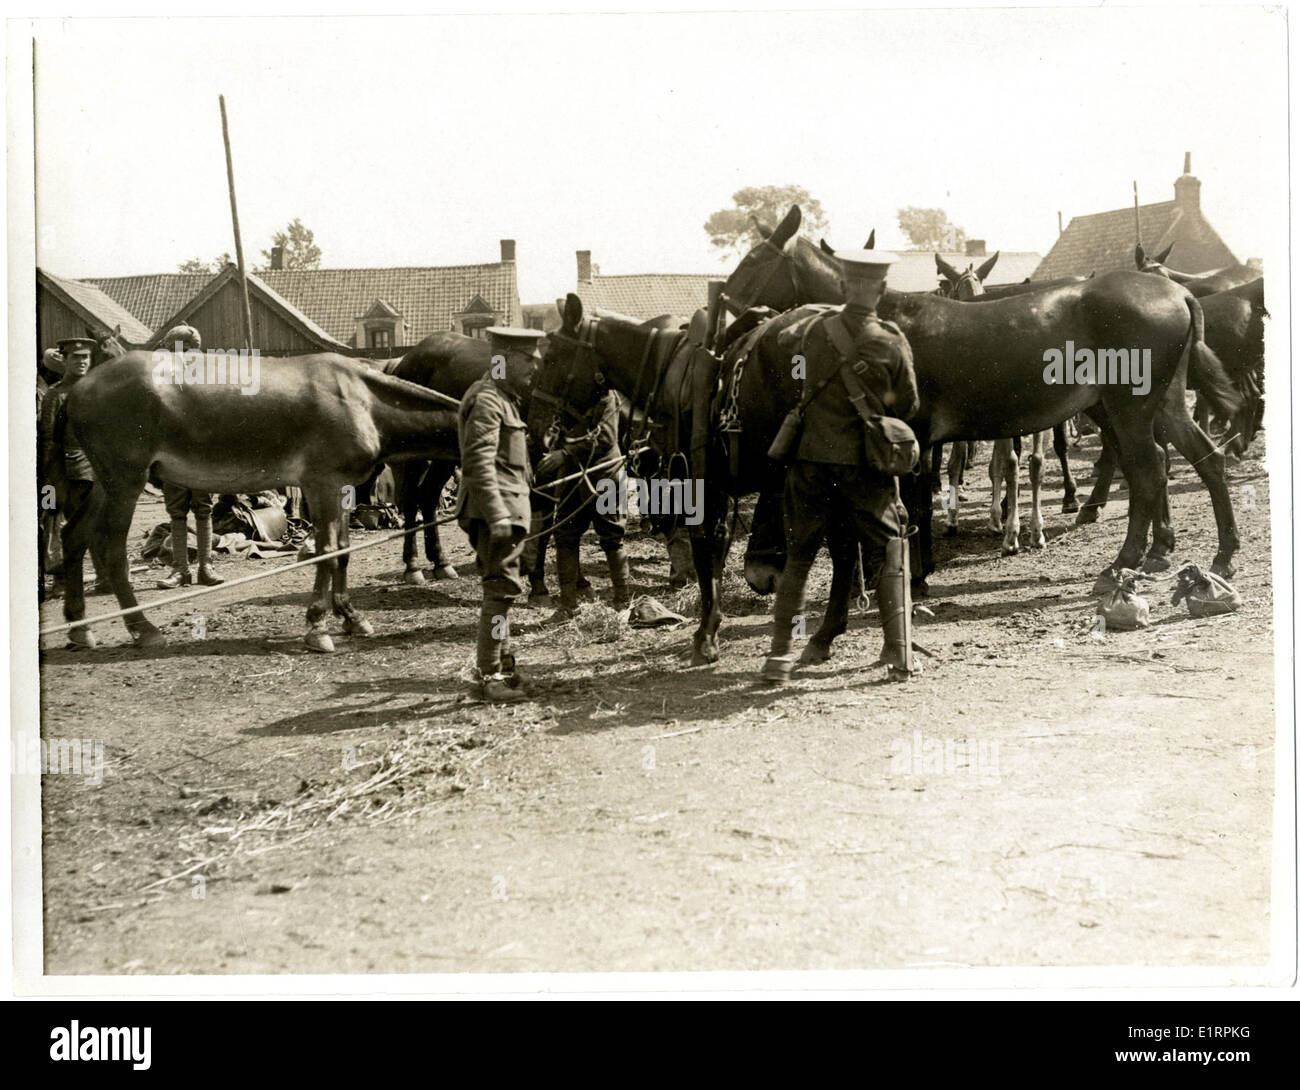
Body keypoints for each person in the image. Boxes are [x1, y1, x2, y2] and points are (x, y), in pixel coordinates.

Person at [761, 249, 920, 685]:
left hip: (810, 463)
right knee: (890, 548)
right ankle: (899, 653)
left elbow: (794, 373)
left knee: (799, 559)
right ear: (882, 290)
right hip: (865, 468)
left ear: (845, 286)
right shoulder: (890, 340)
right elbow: (908, 403)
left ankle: (779, 657)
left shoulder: (809, 333)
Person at [456, 326, 544, 703]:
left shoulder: (504, 399)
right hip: (497, 514)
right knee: (500, 592)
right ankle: (490, 675)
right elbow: (477, 461)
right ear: (503, 359)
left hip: (507, 511)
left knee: (503, 590)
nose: (535, 366)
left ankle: (502, 666)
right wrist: (496, 515)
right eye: (528, 359)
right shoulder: (489, 400)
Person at [536, 387, 631, 620]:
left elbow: (606, 437)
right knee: (565, 535)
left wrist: (566, 454)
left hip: (605, 474)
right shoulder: (569, 397)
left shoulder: (607, 398)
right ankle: (568, 606)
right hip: (574, 476)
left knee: (612, 538)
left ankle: (623, 602)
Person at [39, 337, 110, 629]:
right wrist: (45, 482)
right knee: (52, 522)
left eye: (86, 358)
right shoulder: (54, 396)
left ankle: (105, 577)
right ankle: (59, 580)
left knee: (93, 525)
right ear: (64, 361)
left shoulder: (98, 391)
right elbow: (46, 440)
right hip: (59, 475)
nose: (81, 362)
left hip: (92, 470)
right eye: (76, 358)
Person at [153, 325, 224, 588]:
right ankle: (180, 569)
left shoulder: (210, 379)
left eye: (189, 350)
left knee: (203, 509)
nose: (183, 355)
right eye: (178, 350)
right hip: (173, 454)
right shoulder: (161, 380)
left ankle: (206, 566)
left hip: (202, 455)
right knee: (177, 512)